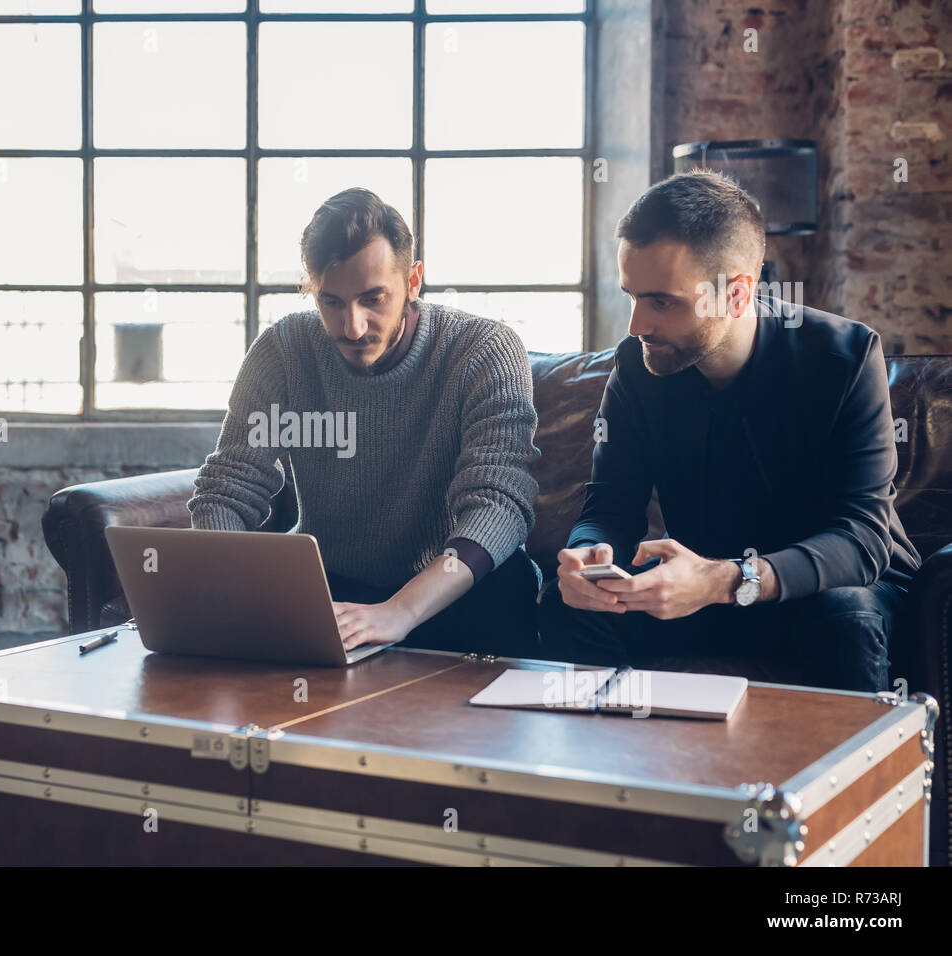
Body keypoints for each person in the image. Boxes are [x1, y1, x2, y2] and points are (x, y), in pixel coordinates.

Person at [538, 170, 920, 692]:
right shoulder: (638, 366)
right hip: (705, 589)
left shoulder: (844, 358)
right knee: (567, 607)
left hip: (829, 587)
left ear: (737, 294)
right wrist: (589, 558)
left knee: (844, 618)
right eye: (631, 296)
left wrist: (727, 580)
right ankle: (618, 766)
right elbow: (609, 507)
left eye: (661, 301)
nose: (635, 325)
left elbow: (863, 538)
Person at [188, 187, 541, 656]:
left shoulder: (484, 350)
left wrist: (401, 611)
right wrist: (231, 592)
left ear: (413, 281)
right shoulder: (283, 351)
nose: (353, 327)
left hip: (460, 592)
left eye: (374, 299)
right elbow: (226, 490)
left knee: (503, 587)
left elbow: (497, 508)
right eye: (332, 302)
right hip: (334, 590)